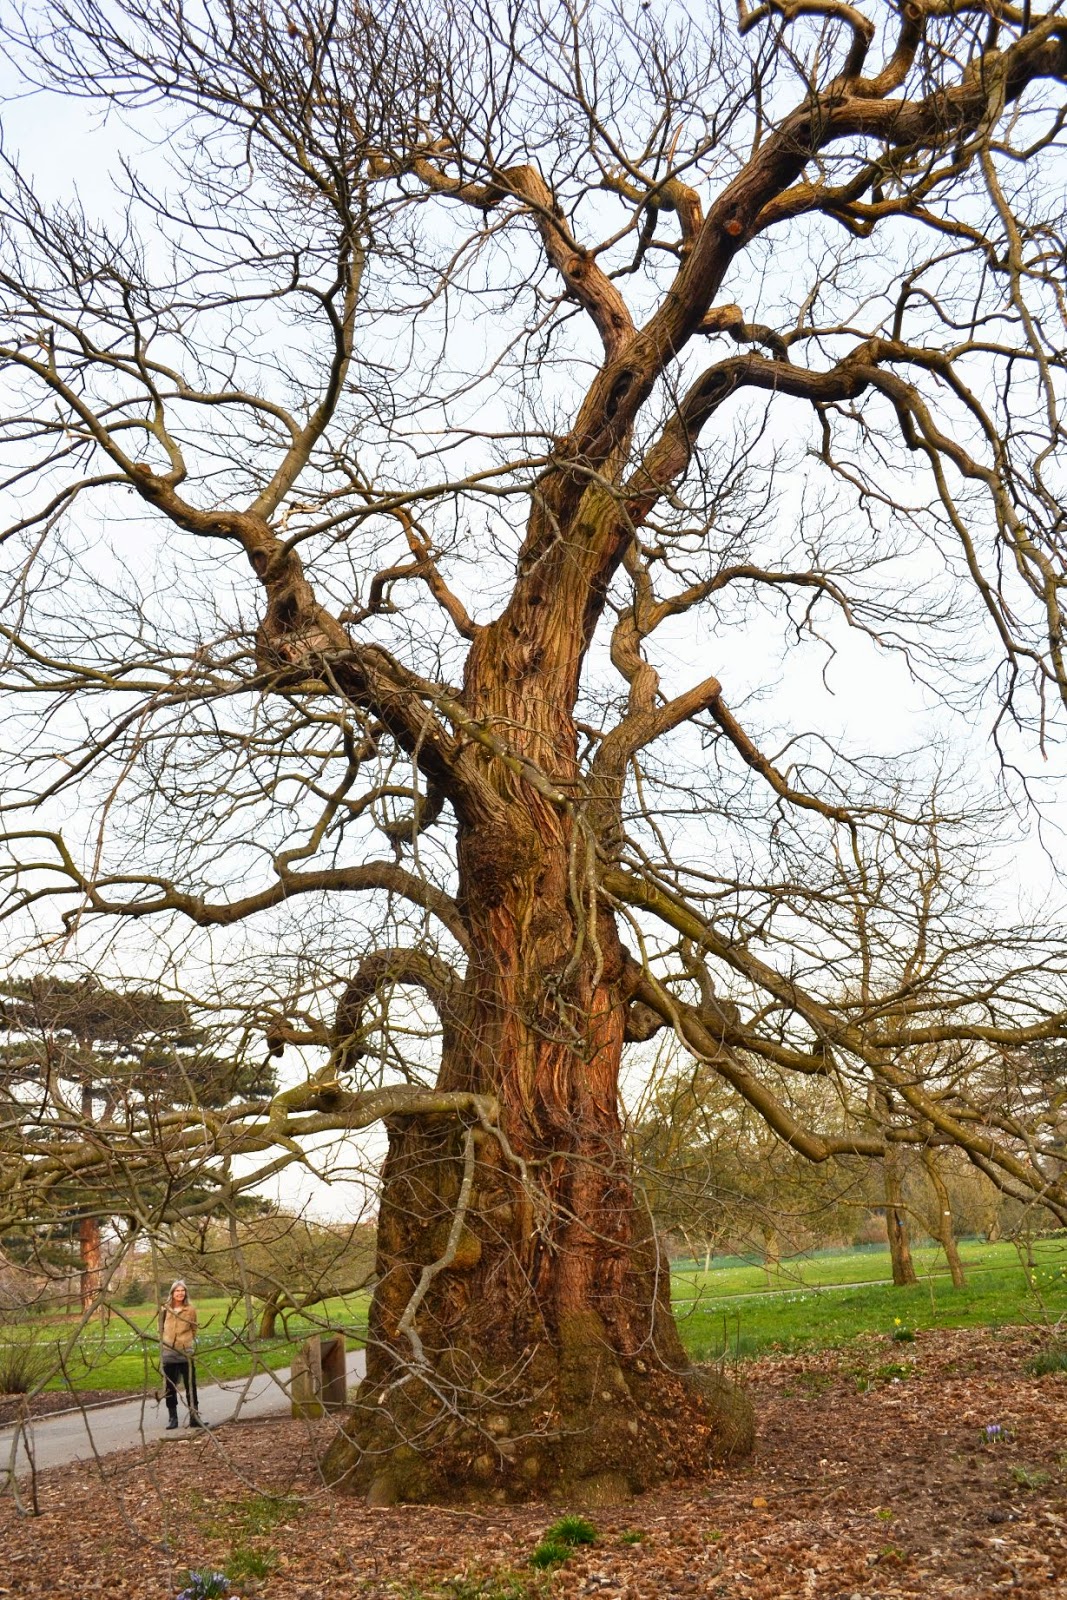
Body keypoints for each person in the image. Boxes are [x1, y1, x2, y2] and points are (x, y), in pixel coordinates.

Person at [159, 1279, 202, 1429]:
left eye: (182, 1290)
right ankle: (173, 1418)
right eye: (177, 1291)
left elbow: (194, 1328)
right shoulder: (164, 1309)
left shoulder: (190, 1310)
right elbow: (160, 1328)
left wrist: (187, 1342)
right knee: (170, 1387)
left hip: (186, 1353)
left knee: (191, 1385)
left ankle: (194, 1417)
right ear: (172, 1293)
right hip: (169, 1353)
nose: (180, 1293)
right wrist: (166, 1342)